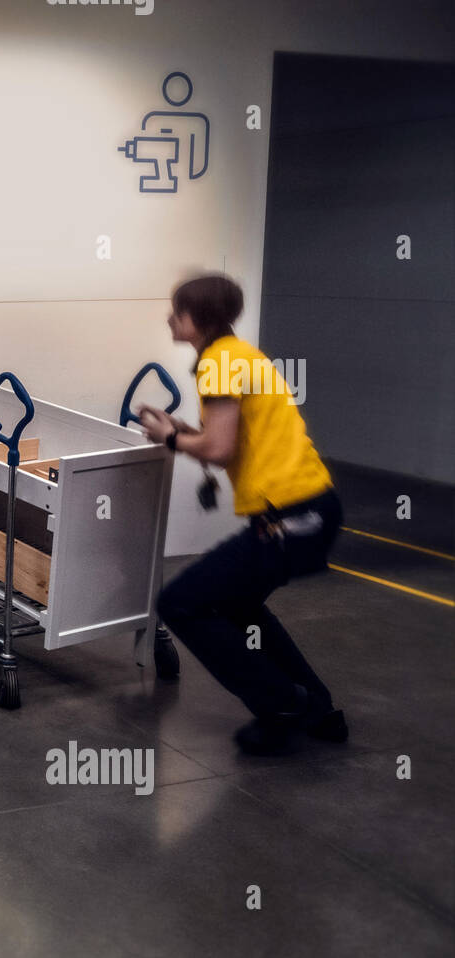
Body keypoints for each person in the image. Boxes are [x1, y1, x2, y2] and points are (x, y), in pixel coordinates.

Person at [136, 274, 347, 753]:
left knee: (180, 603)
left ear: (199, 319)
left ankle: (281, 703)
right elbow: (231, 443)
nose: (170, 318)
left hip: (289, 518)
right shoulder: (240, 355)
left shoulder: (218, 363)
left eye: (177, 311)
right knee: (236, 605)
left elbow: (218, 446)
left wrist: (169, 438)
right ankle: (316, 707)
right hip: (311, 511)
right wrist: (184, 429)